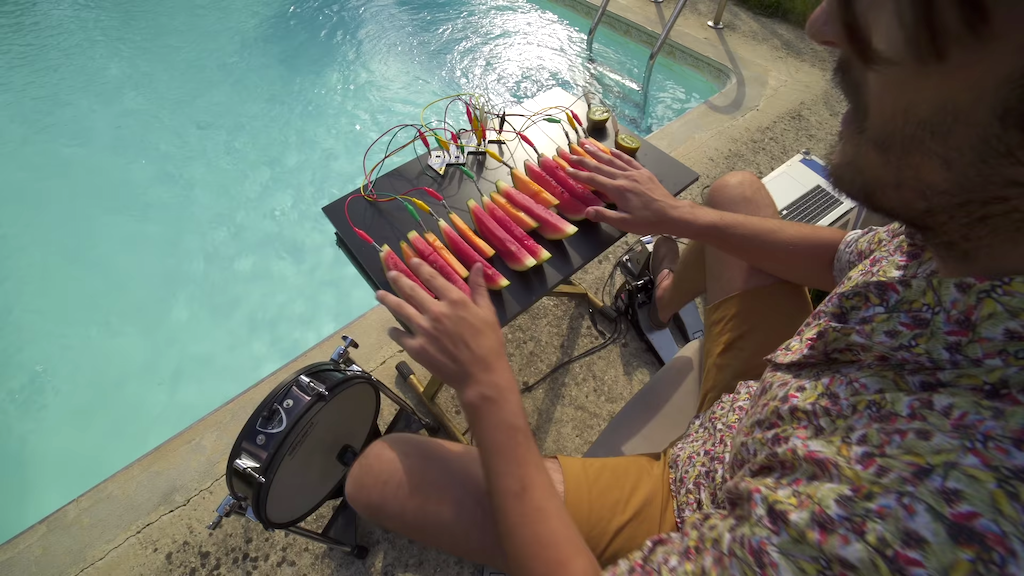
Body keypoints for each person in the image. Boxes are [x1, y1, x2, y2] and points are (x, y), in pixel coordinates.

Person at [346, 0, 1024, 573]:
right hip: (776, 400)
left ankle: (659, 311)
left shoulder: (909, 511)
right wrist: (673, 213)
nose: (821, 24)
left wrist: (485, 382)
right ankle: (657, 303)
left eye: (923, 16)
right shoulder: (982, 246)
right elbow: (850, 257)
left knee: (379, 474)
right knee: (733, 195)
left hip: (703, 490)